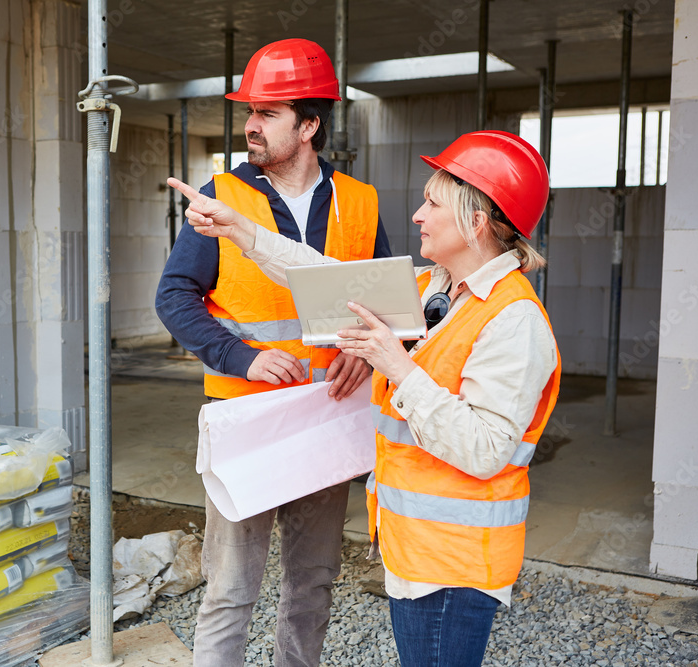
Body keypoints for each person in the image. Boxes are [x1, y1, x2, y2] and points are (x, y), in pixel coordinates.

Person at [167, 130, 561, 667]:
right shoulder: (438, 289)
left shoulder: (513, 319)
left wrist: (397, 366)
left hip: (455, 563)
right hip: (417, 549)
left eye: (432, 202)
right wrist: (242, 232)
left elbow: (487, 448)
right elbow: (324, 278)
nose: (418, 215)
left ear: (475, 221)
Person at [155, 38, 391, 667]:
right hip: (246, 416)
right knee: (231, 590)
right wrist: (241, 357)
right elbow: (174, 297)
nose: (250, 127)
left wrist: (366, 355)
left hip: (328, 416)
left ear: (309, 125)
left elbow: (386, 307)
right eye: (249, 112)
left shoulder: (361, 204)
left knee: (311, 586)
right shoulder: (221, 198)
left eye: (267, 114)